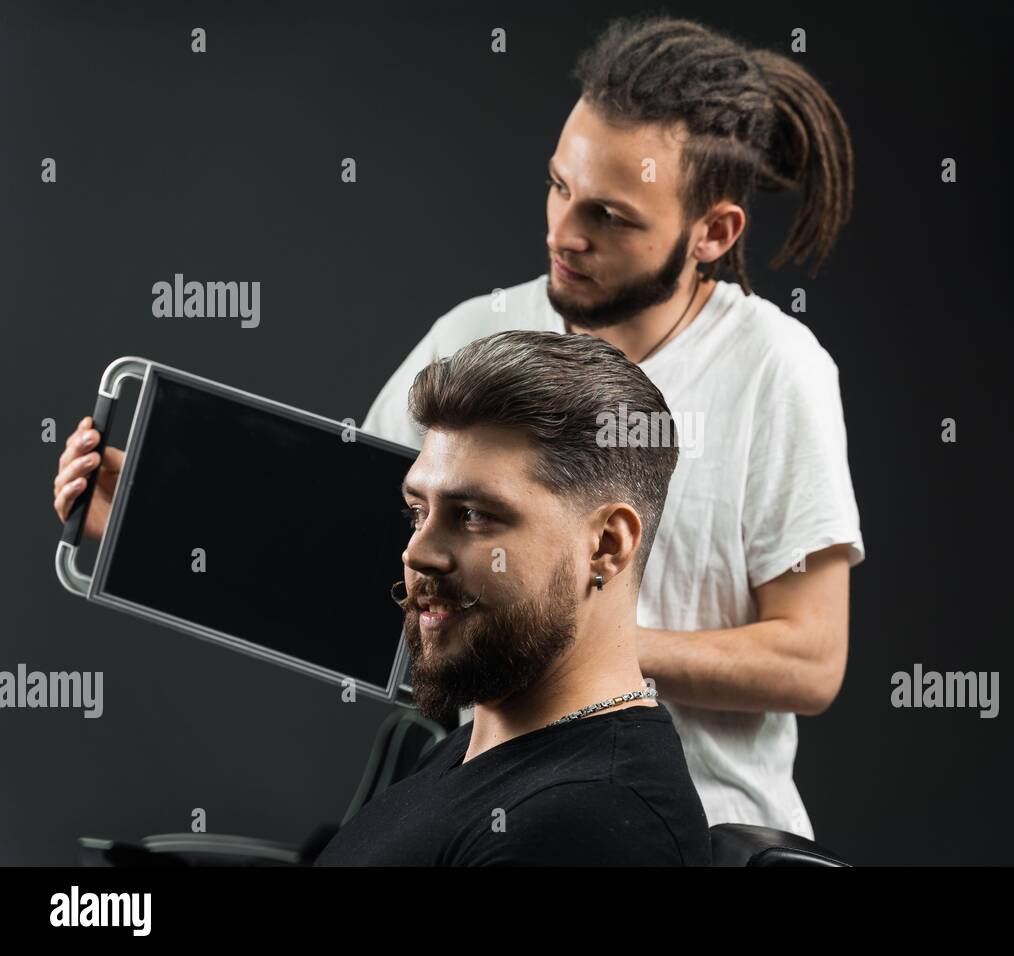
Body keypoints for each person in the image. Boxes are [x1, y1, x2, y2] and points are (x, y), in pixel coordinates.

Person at [53, 15, 863, 840]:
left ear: (713, 232)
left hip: (687, 833)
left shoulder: (776, 369)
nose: (563, 234)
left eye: (611, 217)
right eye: (558, 186)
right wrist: (156, 525)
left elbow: (810, 659)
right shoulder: (475, 332)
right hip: (483, 812)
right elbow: (359, 559)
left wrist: (572, 643)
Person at [315, 329, 710, 865]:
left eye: (473, 515)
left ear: (606, 545)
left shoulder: (590, 826)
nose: (417, 554)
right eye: (417, 512)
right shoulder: (477, 748)